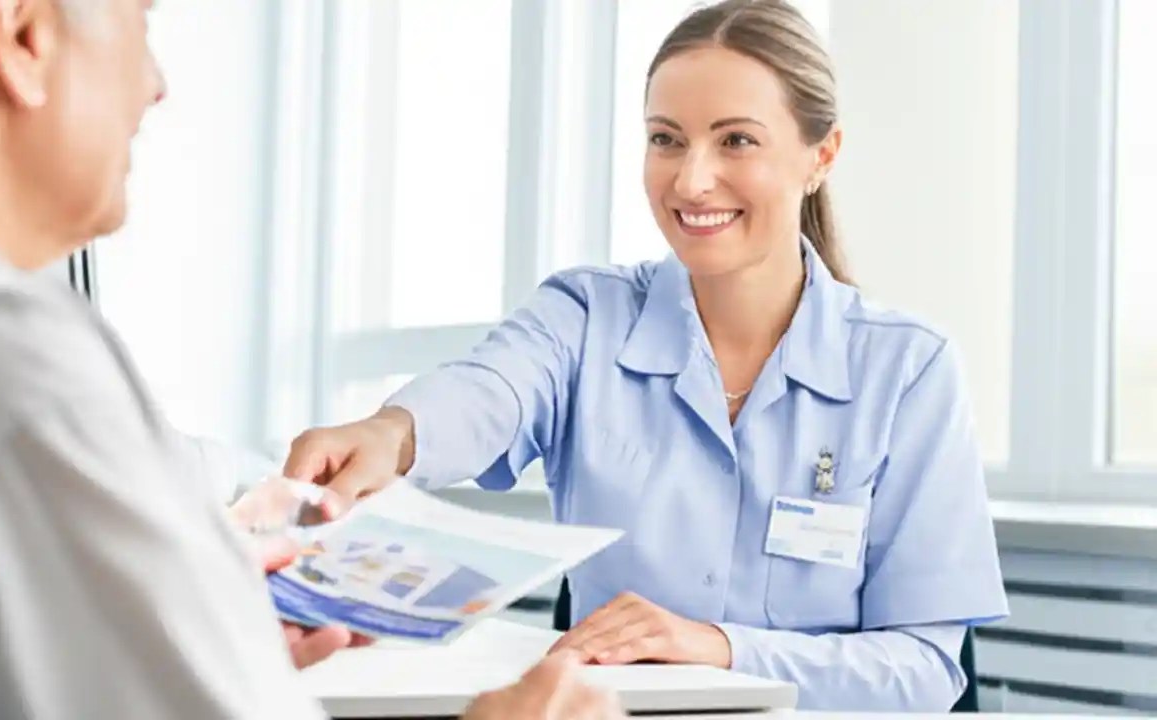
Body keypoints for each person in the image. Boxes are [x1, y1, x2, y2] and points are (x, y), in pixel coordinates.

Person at [0, 1, 622, 718]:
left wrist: (189, 632)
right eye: (143, 23)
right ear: (24, 33)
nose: (156, 84)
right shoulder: (1, 357)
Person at [283, 0, 1009, 711]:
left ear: (821, 155)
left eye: (736, 141)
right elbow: (489, 390)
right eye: (666, 139)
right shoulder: (587, 317)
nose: (691, 181)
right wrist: (393, 436)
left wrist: (717, 646)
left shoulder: (908, 371)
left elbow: (922, 672)